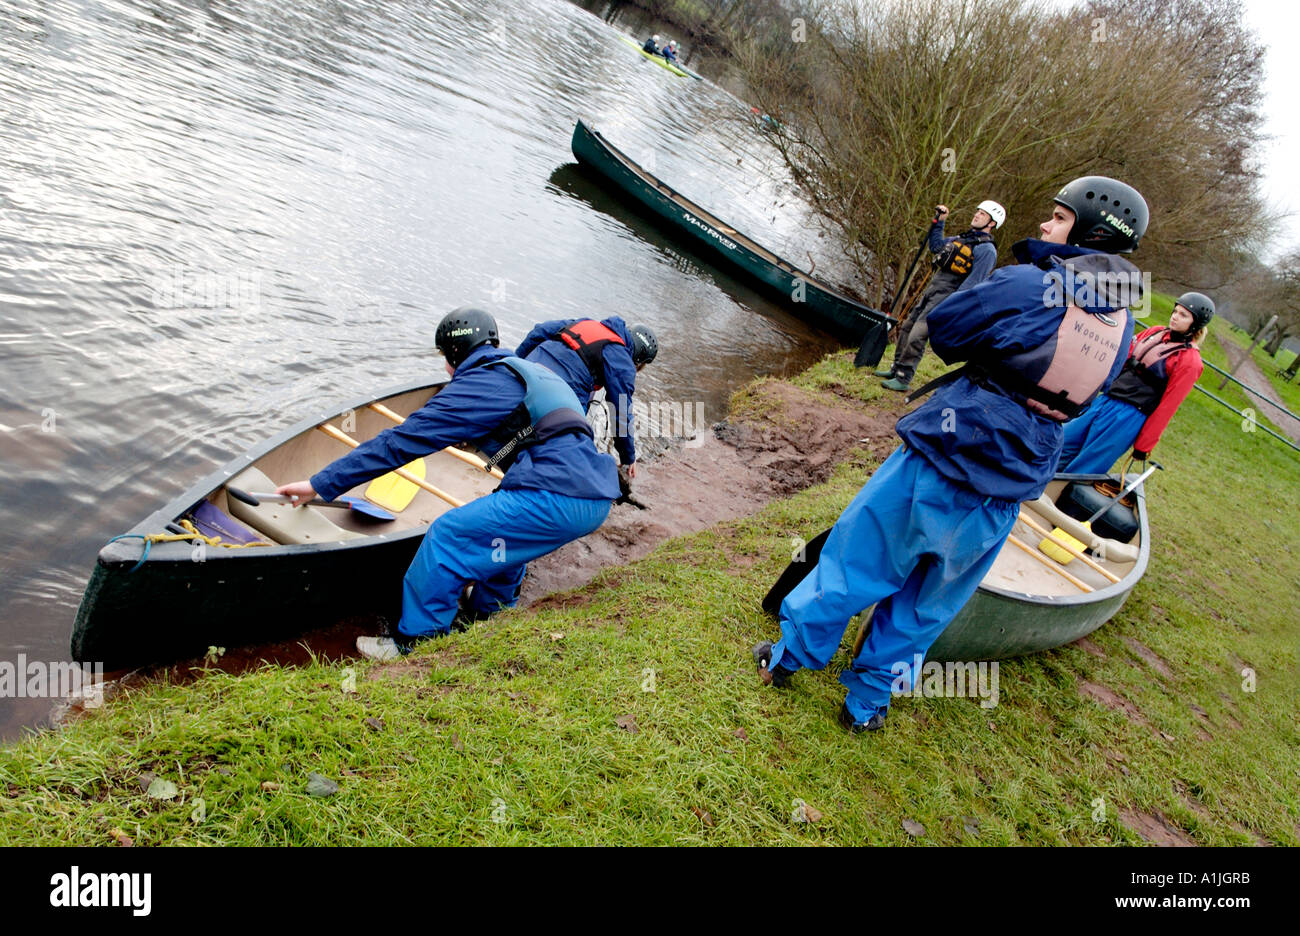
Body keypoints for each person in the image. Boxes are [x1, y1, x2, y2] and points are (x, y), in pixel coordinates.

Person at [754, 176, 1148, 732]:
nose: (1044, 225)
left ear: (1091, 233)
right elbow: (1085, 395)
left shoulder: (1032, 284)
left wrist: (1001, 356)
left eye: (1058, 219)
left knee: (857, 560)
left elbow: (947, 328)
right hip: (1011, 482)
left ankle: (790, 657)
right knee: (930, 601)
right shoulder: (1123, 321)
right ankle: (867, 704)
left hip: (949, 451)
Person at [275, 308, 621, 661]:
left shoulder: (482, 384)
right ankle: (490, 615)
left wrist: (319, 484)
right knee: (504, 536)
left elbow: (398, 443)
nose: (445, 369)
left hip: (556, 497)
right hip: (594, 497)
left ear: (457, 353)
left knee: (447, 537)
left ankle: (414, 644)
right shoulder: (530, 372)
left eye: (445, 357)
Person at [1058, 292, 1213, 473]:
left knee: (1087, 465)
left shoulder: (1190, 361)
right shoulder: (1155, 332)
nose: (1175, 317)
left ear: (1195, 325)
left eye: (1183, 315)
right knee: (1061, 444)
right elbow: (1121, 357)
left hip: (1129, 414)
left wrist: (1144, 445)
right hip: (1107, 398)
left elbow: (1169, 405)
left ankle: (1056, 499)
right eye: (1176, 311)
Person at [876, 200, 1006, 391]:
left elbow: (973, 284)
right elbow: (936, 246)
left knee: (917, 335)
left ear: (992, 223)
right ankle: (895, 368)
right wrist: (940, 222)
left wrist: (951, 307)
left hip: (945, 298)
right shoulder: (962, 238)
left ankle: (904, 377)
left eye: (983, 214)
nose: (976, 215)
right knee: (906, 329)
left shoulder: (987, 250)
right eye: (977, 211)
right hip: (932, 289)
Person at [515, 318, 657, 479]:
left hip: (525, 372)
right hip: (556, 392)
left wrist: (515, 363)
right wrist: (628, 456)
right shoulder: (623, 361)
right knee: (572, 452)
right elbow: (621, 411)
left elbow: (539, 331)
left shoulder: (587, 323)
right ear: (638, 360)